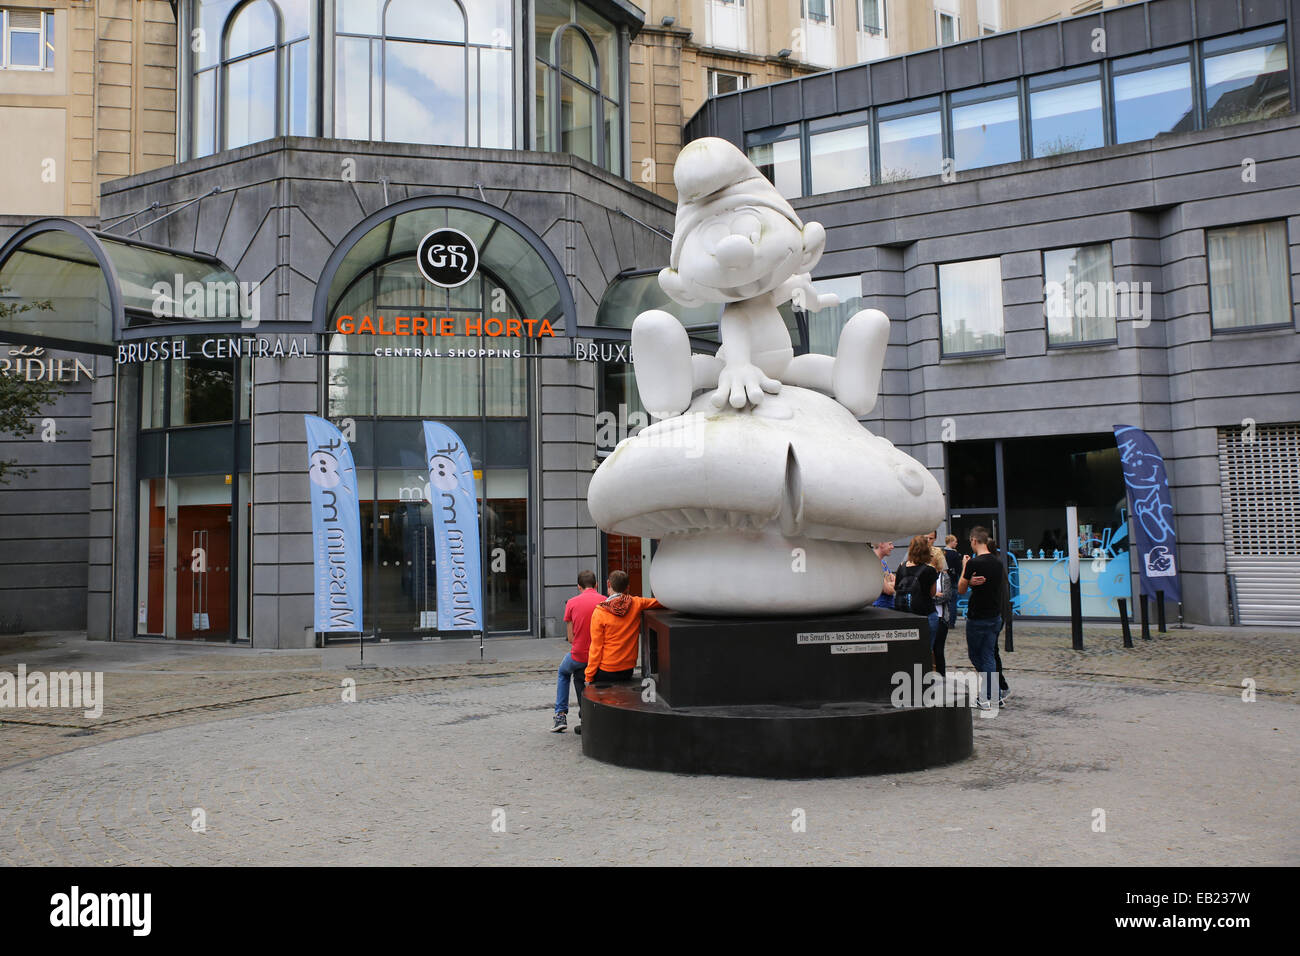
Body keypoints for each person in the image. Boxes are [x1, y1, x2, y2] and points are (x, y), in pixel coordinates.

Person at [958, 526, 1007, 711]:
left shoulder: (974, 563)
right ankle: (995, 695)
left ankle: (987, 695)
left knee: (975, 655)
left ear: (974, 541)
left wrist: (965, 570)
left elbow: (961, 589)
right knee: (988, 656)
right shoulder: (997, 562)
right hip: (994, 615)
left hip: (977, 616)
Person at [585, 570, 662, 685]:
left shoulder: (600, 612)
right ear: (628, 588)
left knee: (579, 674)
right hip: (627, 669)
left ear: (608, 584)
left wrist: (589, 677)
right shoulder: (637, 603)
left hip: (606, 669)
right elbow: (660, 602)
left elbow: (596, 647)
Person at [551, 570, 603, 733]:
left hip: (579, 655)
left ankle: (560, 715)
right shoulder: (605, 601)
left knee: (563, 672)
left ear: (578, 586)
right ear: (596, 585)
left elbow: (571, 638)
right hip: (600, 655)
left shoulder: (572, 603)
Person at [894, 536, 947, 673]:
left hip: (905, 617)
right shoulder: (929, 570)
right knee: (925, 652)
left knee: (908, 652)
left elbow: (896, 588)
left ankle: (908, 682)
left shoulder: (901, 567)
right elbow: (932, 593)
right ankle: (923, 684)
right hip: (926, 615)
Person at [942, 534, 962, 630]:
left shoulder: (942, 552)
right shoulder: (954, 554)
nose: (957, 543)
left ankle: (944, 620)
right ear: (951, 542)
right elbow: (959, 568)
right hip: (953, 579)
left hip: (943, 580)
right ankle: (951, 622)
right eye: (955, 541)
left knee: (944, 600)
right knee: (953, 601)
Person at [871, 540, 896, 609]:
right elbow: (889, 591)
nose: (892, 547)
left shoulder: (883, 563)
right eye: (890, 544)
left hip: (888, 606)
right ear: (881, 544)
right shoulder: (873, 563)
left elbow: (897, 582)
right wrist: (891, 584)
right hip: (880, 607)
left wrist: (889, 584)